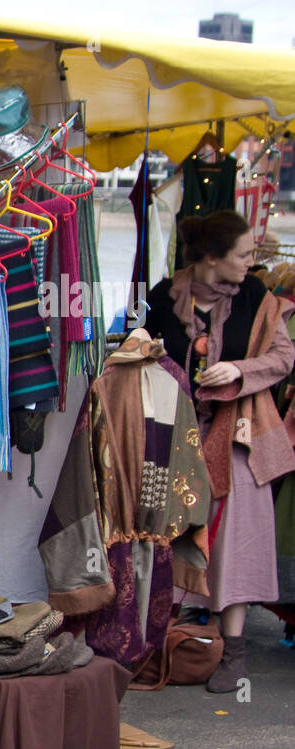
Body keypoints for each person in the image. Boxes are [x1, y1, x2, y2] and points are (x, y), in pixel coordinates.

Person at [143, 210, 295, 692]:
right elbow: (141, 354)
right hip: (176, 434)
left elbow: (284, 358)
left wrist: (237, 371)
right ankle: (161, 640)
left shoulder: (257, 297)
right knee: (169, 533)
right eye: (245, 254)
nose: (253, 262)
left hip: (237, 437)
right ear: (211, 259)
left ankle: (233, 652)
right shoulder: (163, 298)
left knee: (236, 543)